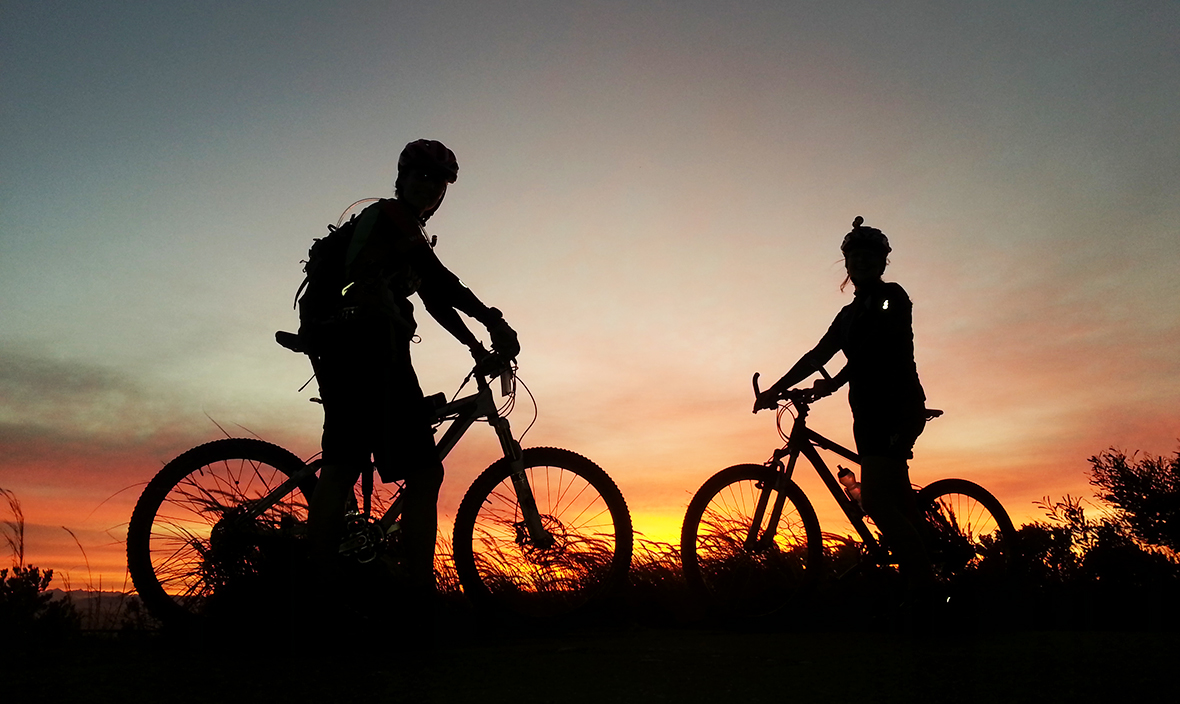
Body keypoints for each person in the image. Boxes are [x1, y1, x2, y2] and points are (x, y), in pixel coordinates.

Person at [300, 139, 519, 624]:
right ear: (401, 179)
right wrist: (493, 320)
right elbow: (440, 281)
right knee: (422, 471)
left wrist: (474, 344)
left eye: (437, 181)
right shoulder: (393, 217)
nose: (429, 186)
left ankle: (323, 596)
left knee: (343, 461)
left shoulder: (396, 233)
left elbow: (435, 300)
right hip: (371, 345)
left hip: (342, 343)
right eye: (420, 176)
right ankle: (418, 603)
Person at [754, 216, 935, 608]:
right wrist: (776, 389)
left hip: (898, 406)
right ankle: (922, 570)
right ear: (846, 265)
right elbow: (817, 354)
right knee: (895, 500)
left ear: (883, 262)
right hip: (866, 413)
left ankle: (927, 595)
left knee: (876, 501)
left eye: (869, 256)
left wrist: (832, 383)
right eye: (854, 257)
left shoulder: (893, 297)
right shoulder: (847, 316)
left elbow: (876, 348)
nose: (860, 263)